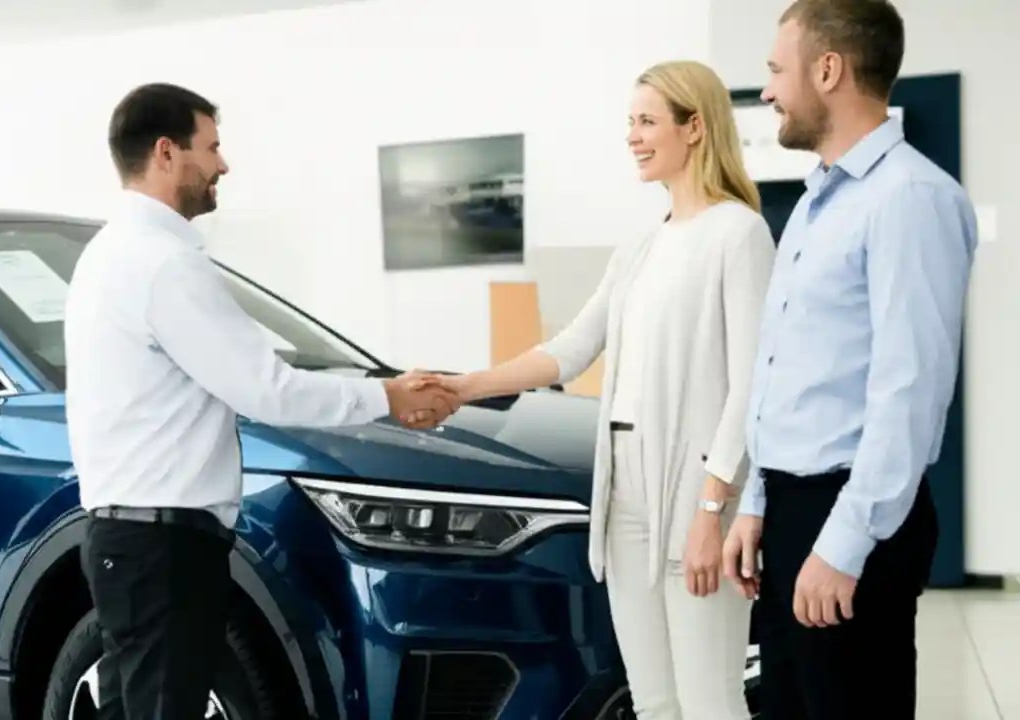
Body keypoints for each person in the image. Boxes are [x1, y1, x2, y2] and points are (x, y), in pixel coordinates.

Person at [62, 82, 460, 719]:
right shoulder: (164, 266)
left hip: (128, 539)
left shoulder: (105, 257)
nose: (224, 164)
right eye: (212, 147)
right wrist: (387, 396)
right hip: (166, 550)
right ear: (166, 152)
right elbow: (267, 389)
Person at [413, 61, 775, 719]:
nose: (632, 137)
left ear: (695, 127)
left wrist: (711, 509)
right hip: (624, 497)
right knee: (656, 703)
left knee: (711, 700)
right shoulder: (640, 246)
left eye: (646, 122)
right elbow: (570, 350)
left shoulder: (738, 233)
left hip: (694, 491)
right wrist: (467, 386)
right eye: (629, 123)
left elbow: (753, 382)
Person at [721, 2, 978, 718]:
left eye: (776, 69)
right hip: (793, 507)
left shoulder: (910, 199)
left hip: (852, 512)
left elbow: (909, 392)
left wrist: (844, 545)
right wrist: (757, 504)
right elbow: (786, 372)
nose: (768, 90)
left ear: (828, 69)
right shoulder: (815, 205)